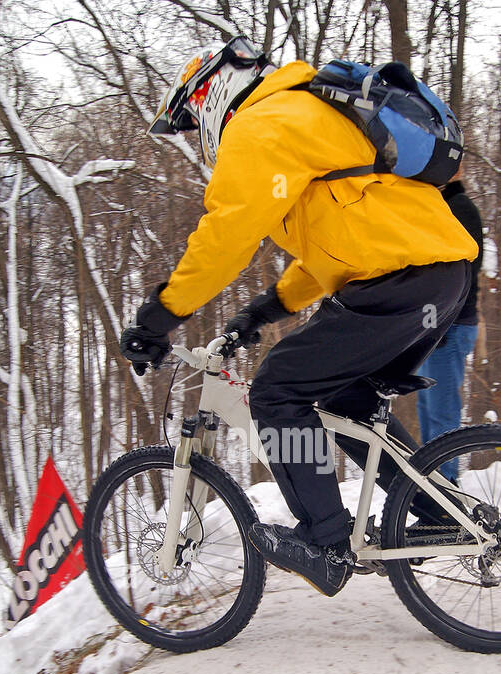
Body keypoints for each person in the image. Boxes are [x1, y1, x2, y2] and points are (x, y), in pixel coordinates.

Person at [124, 37, 476, 596]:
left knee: (277, 392)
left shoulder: (263, 124)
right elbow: (338, 241)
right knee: (345, 397)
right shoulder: (299, 113)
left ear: (210, 93)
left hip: (401, 282)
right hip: (430, 274)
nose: (200, 137)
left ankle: (325, 540)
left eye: (194, 122)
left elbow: (226, 234)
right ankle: (437, 510)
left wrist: (160, 316)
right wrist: (263, 310)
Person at [416, 169, 484, 481]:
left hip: (449, 327)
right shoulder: (442, 206)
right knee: (428, 413)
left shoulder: (460, 208)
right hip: (435, 328)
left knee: (442, 416)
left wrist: (441, 320)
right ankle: (432, 494)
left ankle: (447, 503)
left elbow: (465, 270)